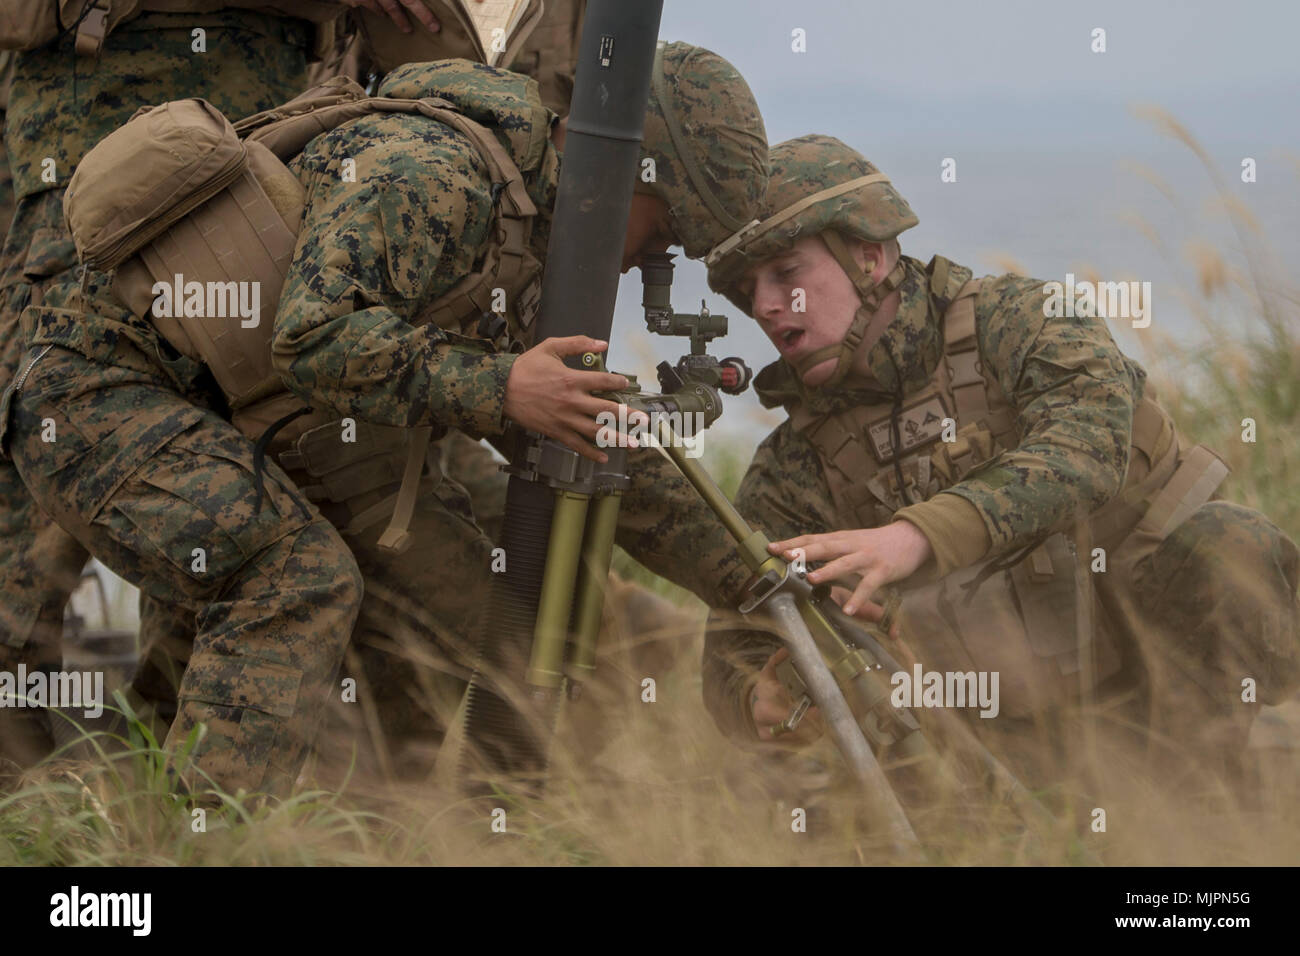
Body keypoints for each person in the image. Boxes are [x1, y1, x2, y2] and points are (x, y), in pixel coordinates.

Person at [3, 44, 766, 789]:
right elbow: (311, 338)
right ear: (630, 172)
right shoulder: (434, 173)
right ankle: (206, 839)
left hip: (229, 417)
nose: (643, 264)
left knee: (458, 623)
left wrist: (757, 576)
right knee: (293, 576)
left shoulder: (530, 227)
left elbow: (588, 436)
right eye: (662, 234)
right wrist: (504, 388)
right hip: (98, 393)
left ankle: (304, 831)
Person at [700, 134, 1300, 793]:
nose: (762, 305)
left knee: (1230, 543)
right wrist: (765, 697)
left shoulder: (1022, 322)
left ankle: (1208, 803)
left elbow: (1086, 445)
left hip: (1164, 704)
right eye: (747, 290)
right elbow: (737, 642)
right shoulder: (793, 466)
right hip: (988, 762)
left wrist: (916, 537)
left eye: (786, 273)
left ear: (868, 256)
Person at [0, 1, 352, 785]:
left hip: (230, 154)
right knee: (36, 517)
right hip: (111, 164)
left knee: (218, 507)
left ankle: (160, 816)